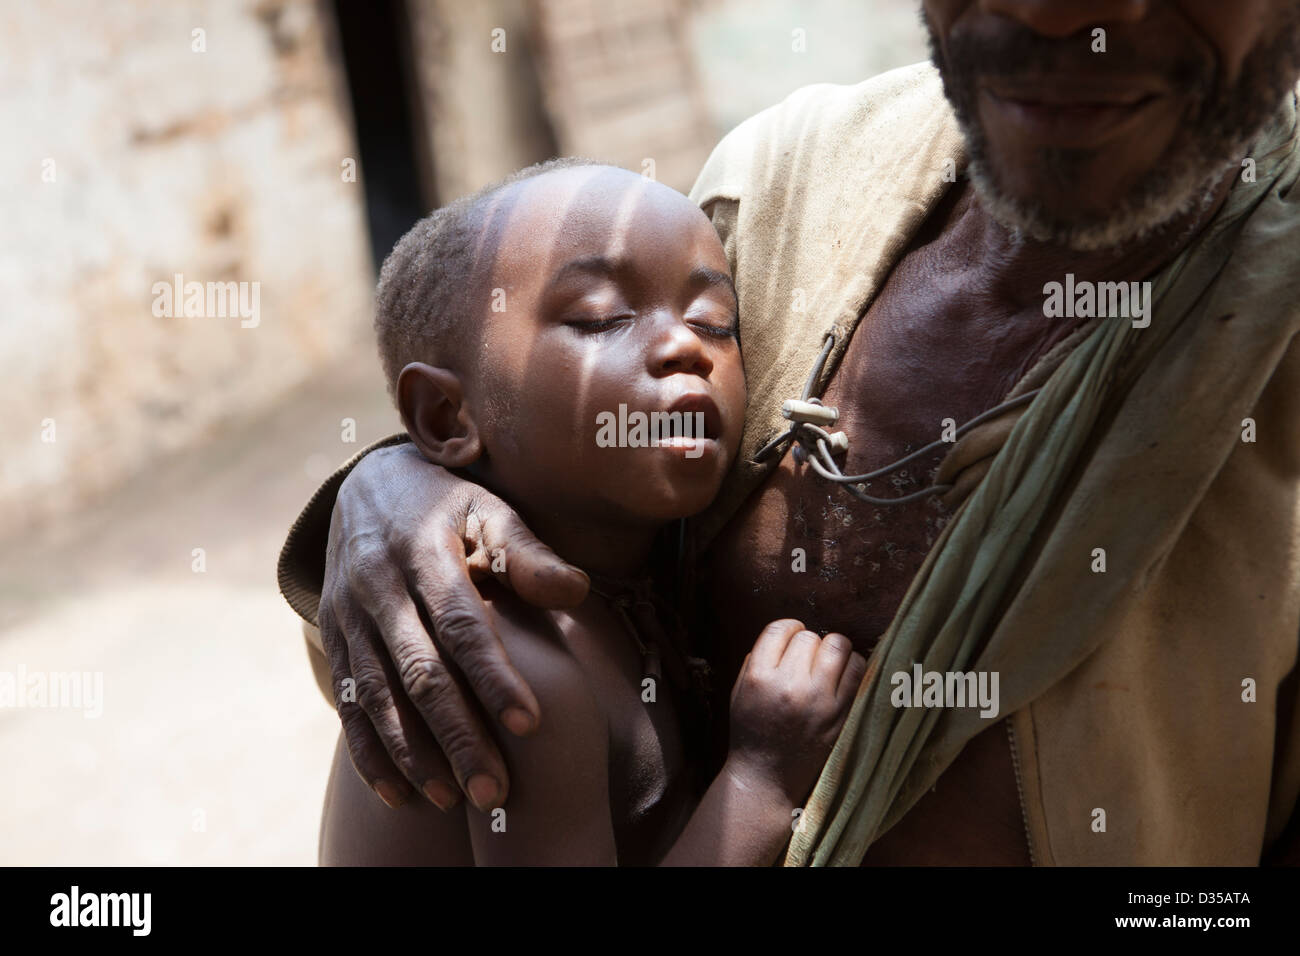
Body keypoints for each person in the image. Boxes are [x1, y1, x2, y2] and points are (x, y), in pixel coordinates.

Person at [280, 0, 1300, 865]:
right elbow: (518, 412)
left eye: (717, 323)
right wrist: (387, 490)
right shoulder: (786, 180)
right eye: (605, 316)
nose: (1055, 12)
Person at [314, 158, 866, 865]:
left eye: (716, 322)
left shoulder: (642, 571)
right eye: (600, 318)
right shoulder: (512, 663)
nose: (682, 345)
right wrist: (763, 780)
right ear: (447, 414)